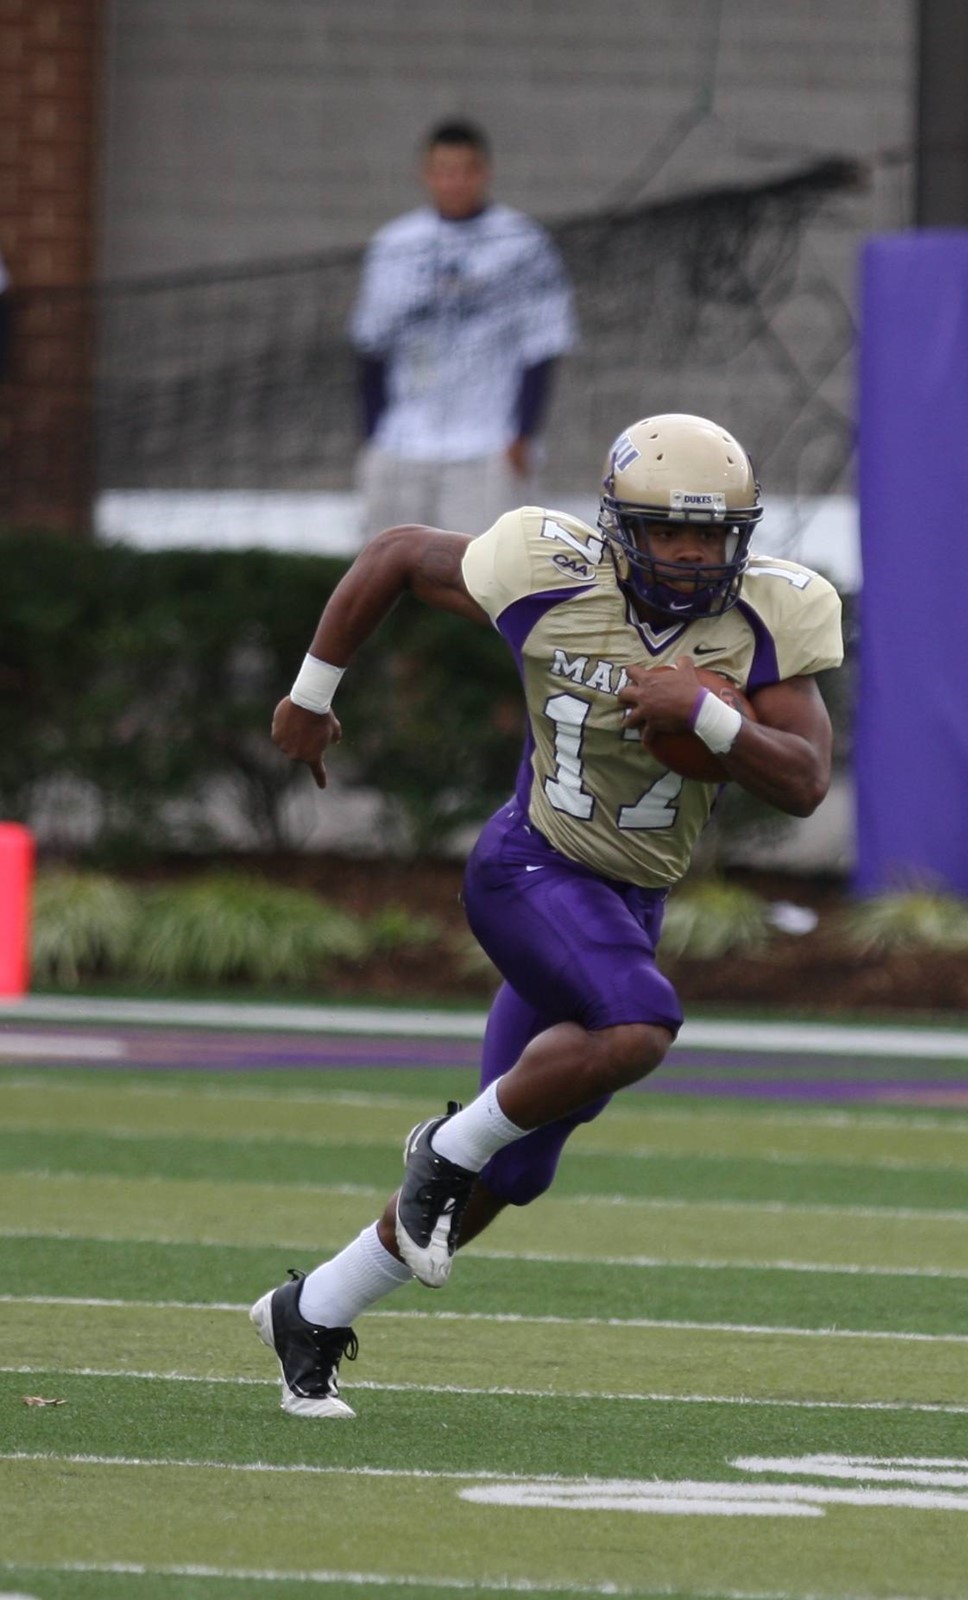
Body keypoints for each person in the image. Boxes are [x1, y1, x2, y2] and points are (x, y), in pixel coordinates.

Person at [252, 412, 843, 1417]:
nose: (694, 555)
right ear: (620, 528)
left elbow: (804, 778)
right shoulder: (545, 568)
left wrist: (707, 714)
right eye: (670, 532)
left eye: (712, 535)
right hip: (529, 867)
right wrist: (312, 695)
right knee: (637, 1025)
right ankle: (439, 1147)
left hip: (627, 900)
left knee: (512, 1169)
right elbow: (395, 554)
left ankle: (311, 1307)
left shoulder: (768, 616)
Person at [349, 118, 577, 542]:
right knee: (385, 572)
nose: (454, 182)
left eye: (465, 170)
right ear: (426, 174)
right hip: (403, 441)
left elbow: (542, 346)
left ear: (484, 172)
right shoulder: (395, 244)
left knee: (486, 578)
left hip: (487, 444)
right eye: (443, 170)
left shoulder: (522, 243)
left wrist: (522, 435)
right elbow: (370, 346)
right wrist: (375, 434)